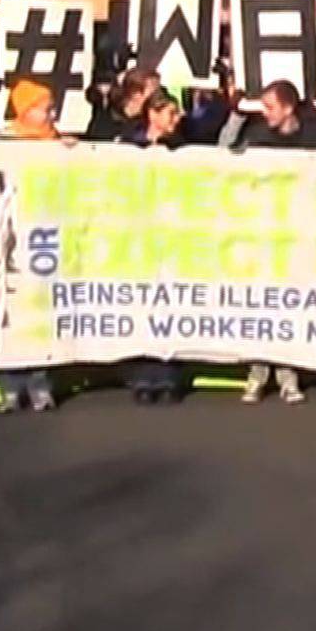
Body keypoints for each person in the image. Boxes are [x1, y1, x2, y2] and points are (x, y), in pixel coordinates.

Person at [231, 80, 316, 403]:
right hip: (262, 232)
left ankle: (288, 374)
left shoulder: (314, 136)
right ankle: (257, 373)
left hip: (298, 233)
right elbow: (227, 157)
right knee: (261, 302)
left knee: (289, 302)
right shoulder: (257, 136)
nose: (264, 112)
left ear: (288, 108)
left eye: (270, 106)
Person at [0, 80, 65, 413]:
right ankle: (9, 385)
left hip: (44, 237)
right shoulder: (2, 141)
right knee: (7, 313)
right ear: (25, 109)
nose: (50, 113)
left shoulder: (58, 142)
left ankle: (39, 383)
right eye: (43, 107)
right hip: (9, 239)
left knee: (39, 313)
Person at [120, 91, 189, 403]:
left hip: (172, 237)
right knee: (141, 305)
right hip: (137, 237)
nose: (177, 119)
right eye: (170, 113)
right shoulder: (127, 146)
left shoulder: (184, 149)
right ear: (152, 115)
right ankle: (141, 378)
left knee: (169, 304)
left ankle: (168, 376)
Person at [85, 66, 160, 142]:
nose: (157, 95)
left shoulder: (154, 121)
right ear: (135, 92)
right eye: (152, 90)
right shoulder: (108, 114)